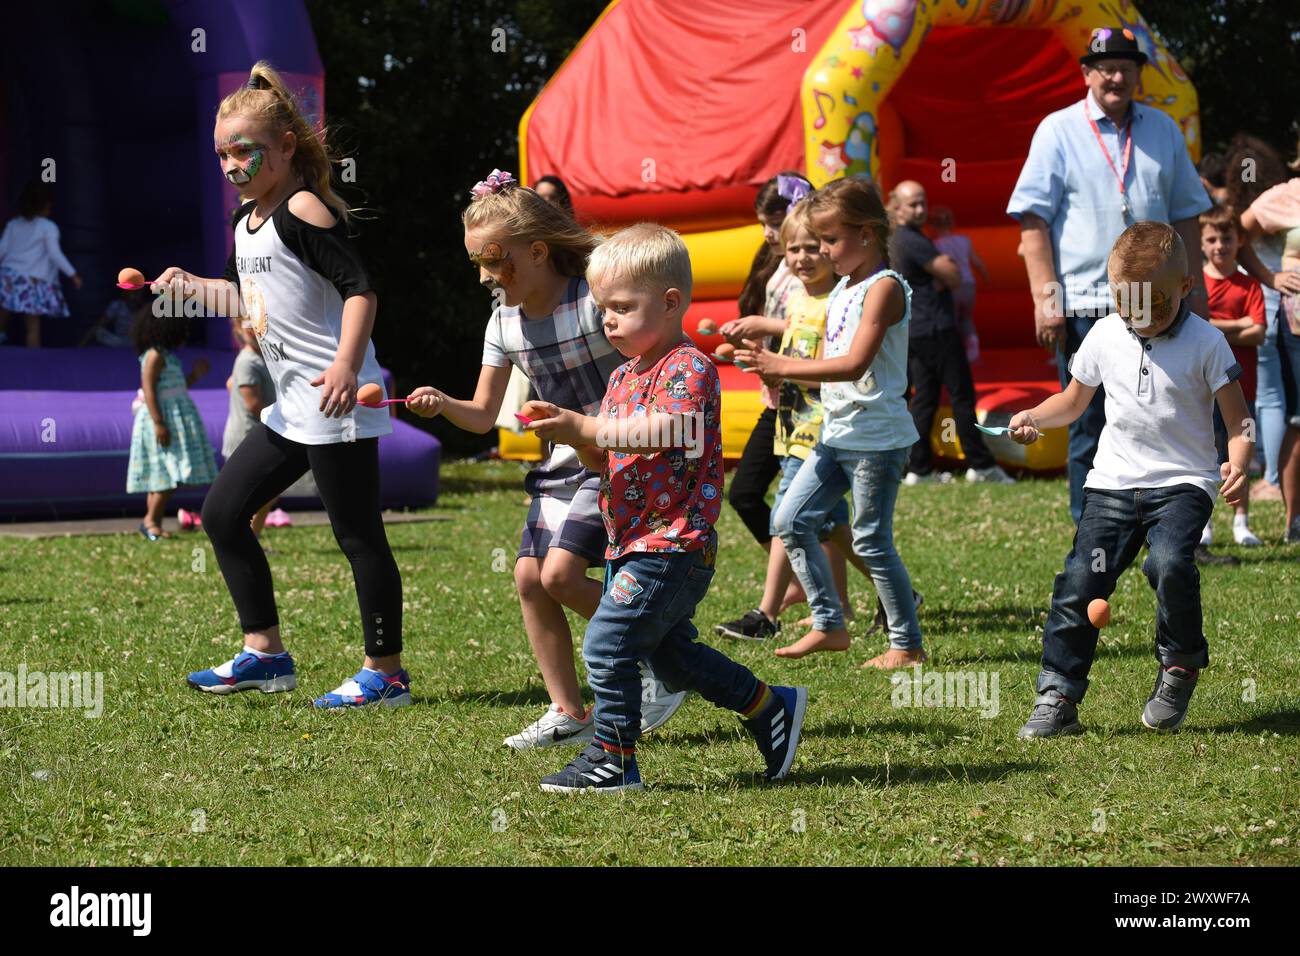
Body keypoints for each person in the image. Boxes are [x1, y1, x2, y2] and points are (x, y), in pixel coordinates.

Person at [523, 223, 809, 791]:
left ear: (670, 301)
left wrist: (590, 426)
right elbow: (608, 462)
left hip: (673, 543)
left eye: (622, 308)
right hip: (628, 542)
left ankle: (614, 759)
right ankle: (769, 706)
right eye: (603, 309)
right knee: (673, 659)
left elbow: (670, 429)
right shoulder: (624, 376)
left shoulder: (689, 367)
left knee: (607, 644)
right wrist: (576, 436)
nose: (608, 320)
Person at [406, 170, 685, 747]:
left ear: (537, 251)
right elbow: (483, 414)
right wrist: (442, 405)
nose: (484, 276)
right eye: (476, 263)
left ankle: (664, 653)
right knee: (530, 580)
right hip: (560, 464)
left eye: (493, 260)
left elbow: (657, 356)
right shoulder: (503, 321)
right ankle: (568, 709)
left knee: (559, 574)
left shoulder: (594, 300)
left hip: (611, 459)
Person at [173, 62, 408, 708]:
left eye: (243, 151)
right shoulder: (246, 222)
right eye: (221, 153)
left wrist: (344, 365)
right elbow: (245, 297)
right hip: (294, 407)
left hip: (338, 402)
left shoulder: (302, 207)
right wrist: (189, 289)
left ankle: (385, 674)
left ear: (284, 148)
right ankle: (265, 655)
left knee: (358, 536)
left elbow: (362, 289)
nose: (231, 166)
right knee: (223, 513)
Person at [1008, 222, 1251, 737]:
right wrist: (1035, 415)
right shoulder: (1102, 334)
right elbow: (1073, 402)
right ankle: (1058, 695)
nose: (1138, 315)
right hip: (1113, 485)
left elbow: (1238, 419)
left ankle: (1180, 662)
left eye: (1153, 304)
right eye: (1126, 302)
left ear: (1186, 287)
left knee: (1167, 562)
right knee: (1081, 583)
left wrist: (1238, 459)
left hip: (1183, 483)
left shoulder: (1207, 343)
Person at [1008, 26, 1212, 524]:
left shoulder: (1163, 129)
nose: (1115, 76)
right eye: (1104, 67)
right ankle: (1092, 536)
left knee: (1170, 413)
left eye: (1125, 67)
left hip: (1159, 299)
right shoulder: (1057, 130)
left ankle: (1173, 531)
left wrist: (1198, 291)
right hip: (1084, 300)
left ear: (1140, 73)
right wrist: (1045, 298)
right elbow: (1032, 220)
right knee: (1087, 421)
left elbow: (1187, 215)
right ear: (1086, 74)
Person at [737, 177, 928, 670]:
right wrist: (767, 355)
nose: (822, 251)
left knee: (869, 539)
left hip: (875, 441)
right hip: (836, 432)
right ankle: (829, 625)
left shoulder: (884, 288)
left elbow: (854, 364)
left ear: (866, 234)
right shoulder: (844, 286)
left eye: (830, 240)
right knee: (788, 521)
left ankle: (906, 645)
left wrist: (781, 367)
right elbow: (823, 349)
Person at [717, 193, 866, 644]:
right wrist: (754, 354)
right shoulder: (801, 300)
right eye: (793, 248)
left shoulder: (839, 299)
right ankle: (891, 591)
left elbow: (833, 357)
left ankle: (778, 613)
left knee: (786, 511)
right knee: (830, 523)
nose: (801, 257)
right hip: (791, 419)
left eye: (812, 247)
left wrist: (768, 347)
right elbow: (796, 347)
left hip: (821, 424)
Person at [721, 174, 815, 620]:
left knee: (779, 506)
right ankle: (837, 599)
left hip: (808, 400)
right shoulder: (776, 259)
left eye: (774, 222)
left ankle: (770, 612)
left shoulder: (812, 263)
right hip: (780, 396)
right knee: (816, 517)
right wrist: (747, 346)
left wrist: (763, 330)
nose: (768, 233)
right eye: (763, 223)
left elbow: (822, 320)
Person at [890, 180, 1011, 485]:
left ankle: (919, 468)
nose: (919, 210)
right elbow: (954, 277)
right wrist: (945, 272)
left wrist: (943, 273)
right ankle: (981, 465)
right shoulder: (912, 240)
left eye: (922, 203)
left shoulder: (899, 238)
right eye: (912, 204)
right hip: (936, 326)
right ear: (898, 207)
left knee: (925, 400)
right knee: (962, 395)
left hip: (915, 330)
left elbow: (948, 275)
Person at [1238, 138, 1300, 541]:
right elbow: (1235, 235)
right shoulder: (1284, 196)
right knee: (1298, 420)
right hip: (1297, 326)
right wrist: (1271, 277)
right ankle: (1295, 522)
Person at [1226, 134, 1294, 503]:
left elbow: (1236, 239)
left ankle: (1269, 473)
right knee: (1273, 395)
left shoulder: (1253, 207)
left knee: (1267, 395)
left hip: (1261, 303)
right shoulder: (1279, 200)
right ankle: (1271, 472)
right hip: (1272, 303)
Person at [1200, 204, 1265, 552]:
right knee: (1206, 453)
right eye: (1211, 239)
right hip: (1203, 389)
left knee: (1242, 453)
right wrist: (1237, 325)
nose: (1220, 245)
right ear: (1201, 242)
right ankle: (1204, 523)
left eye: (1227, 238)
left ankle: (1242, 522)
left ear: (1238, 241)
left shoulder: (1249, 284)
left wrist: (1216, 329)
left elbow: (1258, 333)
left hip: (1244, 386)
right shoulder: (1195, 285)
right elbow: (1197, 327)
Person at [126, 308, 217, 541]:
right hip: (161, 420)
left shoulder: (168, 356)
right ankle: (151, 521)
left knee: (164, 473)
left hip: (172, 419)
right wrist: (159, 423)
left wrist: (195, 375)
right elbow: (148, 390)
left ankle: (152, 521)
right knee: (168, 473)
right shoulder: (154, 355)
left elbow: (176, 387)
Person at [0, 181, 82, 347]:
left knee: (3, 312)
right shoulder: (48, 226)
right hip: (31, 279)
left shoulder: (13, 224)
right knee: (32, 324)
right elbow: (55, 254)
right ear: (46, 206)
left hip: (9, 275)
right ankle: (34, 362)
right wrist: (73, 274)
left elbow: (1, 249)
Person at [221, 314, 280, 537]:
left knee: (269, 491)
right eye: (251, 328)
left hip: (258, 434)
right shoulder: (247, 361)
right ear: (240, 330)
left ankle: (251, 536)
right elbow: (254, 405)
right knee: (254, 493)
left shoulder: (257, 358)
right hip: (246, 437)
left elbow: (230, 384)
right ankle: (245, 536)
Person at [931, 205, 989, 363]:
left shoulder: (936, 244)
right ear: (952, 223)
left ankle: (955, 351)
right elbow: (976, 262)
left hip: (951, 285)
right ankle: (973, 346)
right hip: (969, 284)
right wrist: (985, 275)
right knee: (967, 318)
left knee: (952, 320)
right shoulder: (964, 240)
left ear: (934, 226)